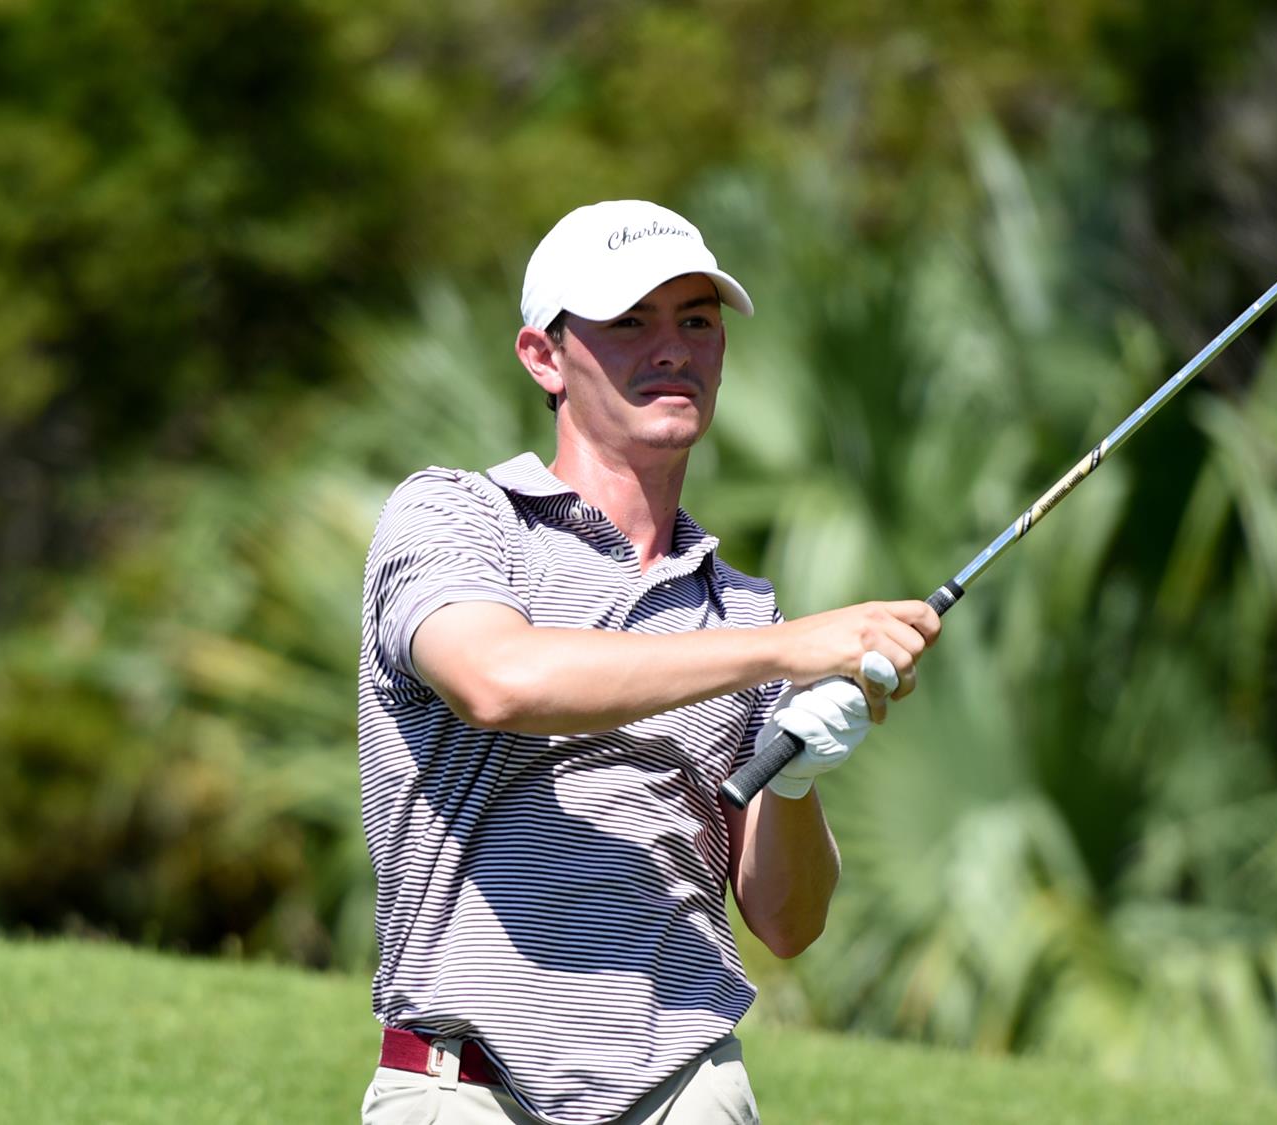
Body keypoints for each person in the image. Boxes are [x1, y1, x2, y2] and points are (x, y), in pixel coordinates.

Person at [357, 199, 941, 1124]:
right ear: (543, 356)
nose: (671, 348)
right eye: (630, 320)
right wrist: (785, 652)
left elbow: (789, 922)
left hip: (687, 1087)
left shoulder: (742, 609)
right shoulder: (456, 517)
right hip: (463, 1087)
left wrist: (796, 776)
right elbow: (497, 681)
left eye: (696, 322)